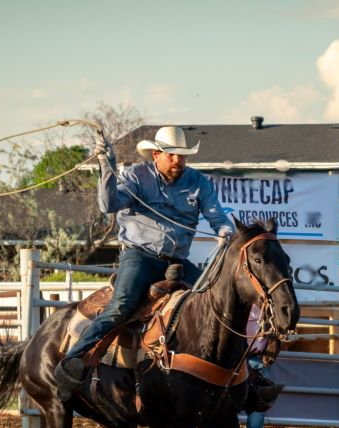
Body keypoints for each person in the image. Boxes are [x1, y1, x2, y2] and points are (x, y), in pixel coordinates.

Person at [54, 126, 235, 400]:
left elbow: (218, 218)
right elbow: (109, 204)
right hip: (140, 256)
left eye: (182, 156)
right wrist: (107, 165)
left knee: (210, 298)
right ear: (156, 154)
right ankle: (73, 360)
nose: (178, 161)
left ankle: (231, 375)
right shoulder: (135, 176)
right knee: (122, 305)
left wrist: (224, 231)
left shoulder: (199, 183)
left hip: (177, 261)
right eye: (172, 155)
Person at [212, 306, 272, 428]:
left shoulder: (269, 304)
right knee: (227, 404)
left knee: (256, 407)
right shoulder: (239, 300)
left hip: (258, 358)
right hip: (235, 359)